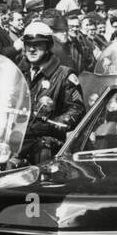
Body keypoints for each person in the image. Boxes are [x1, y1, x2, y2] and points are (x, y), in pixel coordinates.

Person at [17, 21, 85, 165]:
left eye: (38, 45)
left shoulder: (64, 75)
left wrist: (55, 123)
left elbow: (76, 108)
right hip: (17, 136)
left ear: (48, 46)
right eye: (28, 44)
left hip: (46, 139)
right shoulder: (18, 73)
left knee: (44, 150)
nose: (32, 49)